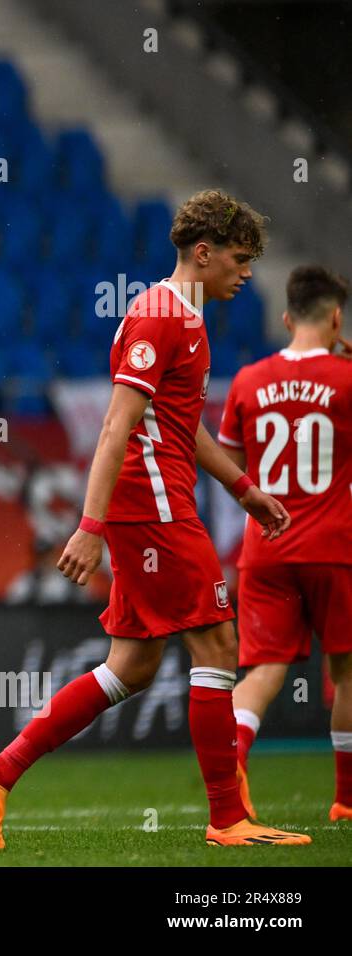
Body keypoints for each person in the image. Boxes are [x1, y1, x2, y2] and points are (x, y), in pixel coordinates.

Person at [0, 189, 311, 849]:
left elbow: (179, 424)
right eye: (238, 258)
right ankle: (228, 817)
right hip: (152, 505)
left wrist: (242, 489)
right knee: (216, 644)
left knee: (133, 665)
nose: (247, 273)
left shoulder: (188, 317)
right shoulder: (159, 316)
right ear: (201, 253)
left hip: (158, 498)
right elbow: (117, 424)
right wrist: (91, 528)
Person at [216, 264, 352, 823]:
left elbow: (233, 466)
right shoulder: (347, 381)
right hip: (334, 549)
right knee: (345, 673)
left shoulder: (248, 380)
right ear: (337, 316)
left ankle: (230, 772)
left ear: (286, 316)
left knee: (265, 671)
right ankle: (345, 799)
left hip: (266, 551)